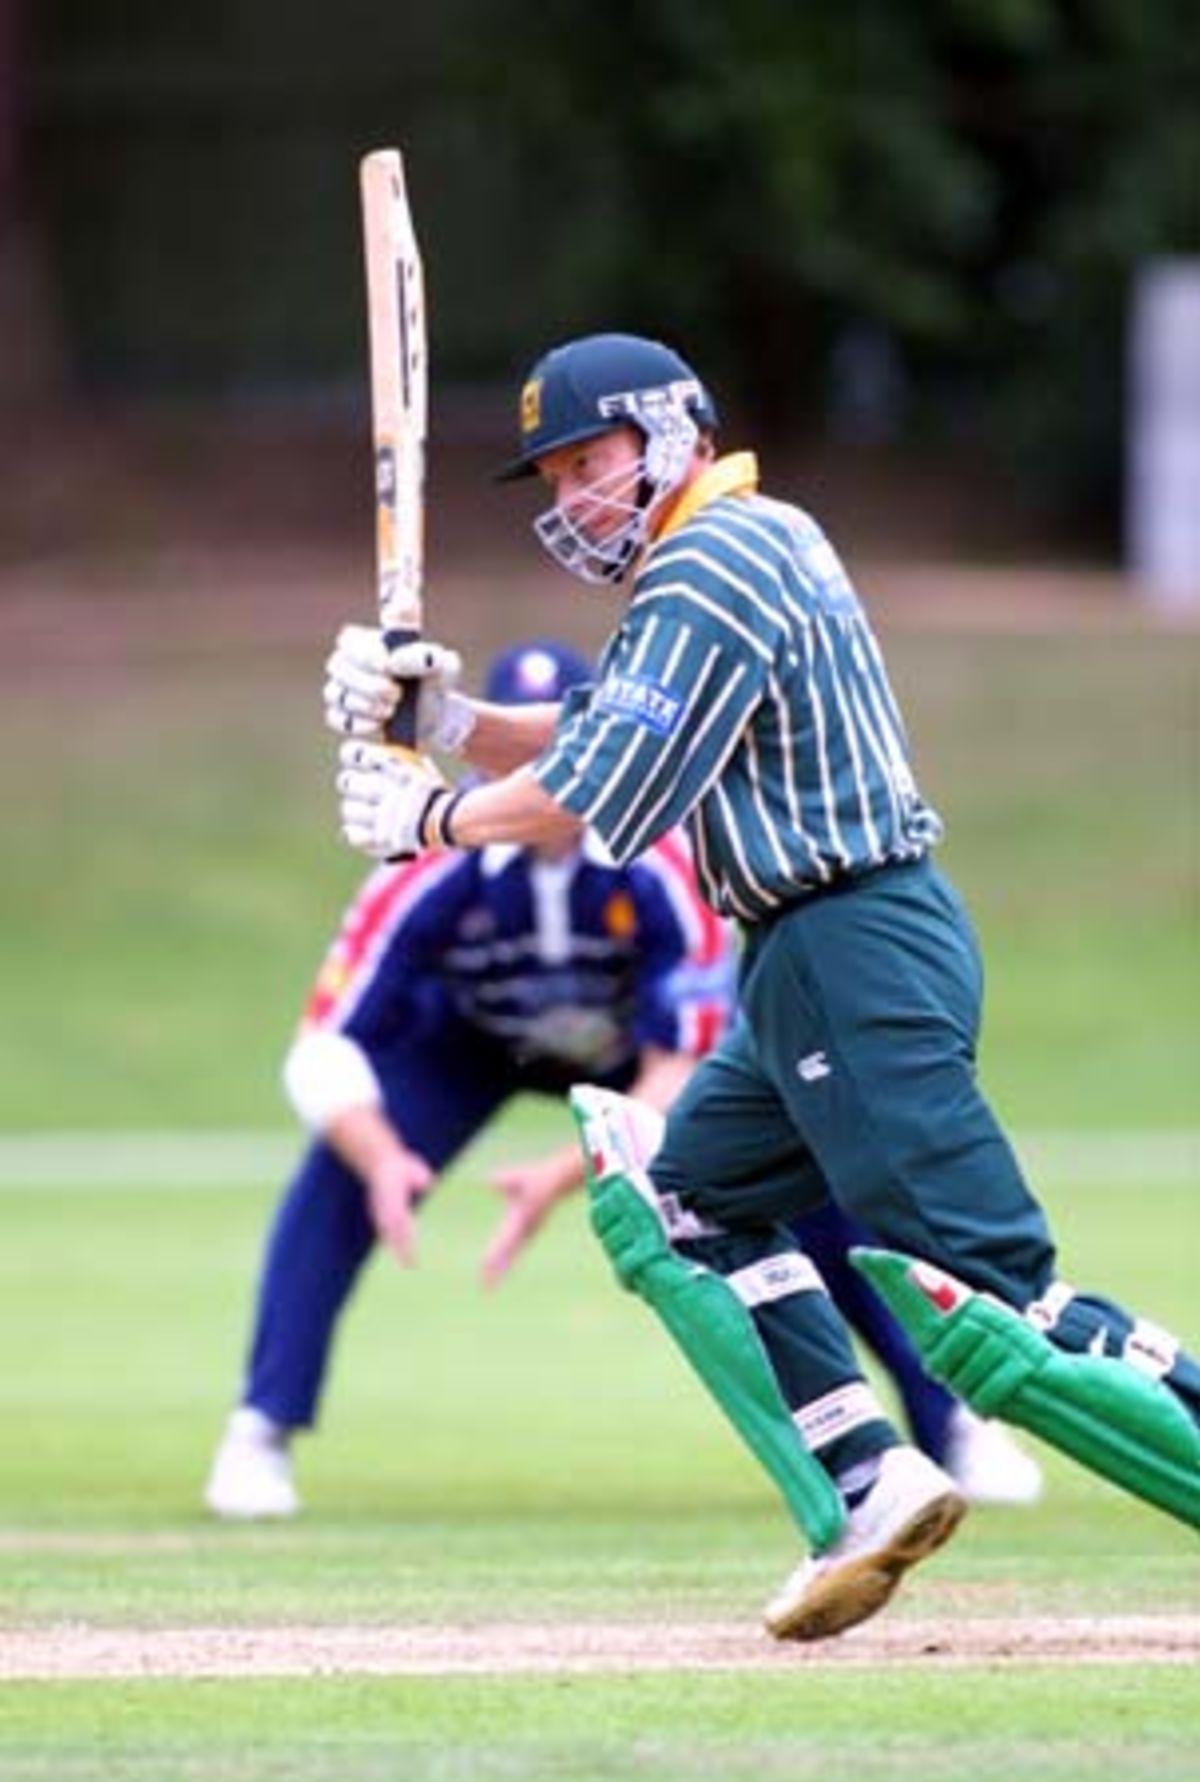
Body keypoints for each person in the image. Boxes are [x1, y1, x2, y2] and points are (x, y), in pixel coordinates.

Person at [325, 334, 1199, 1641]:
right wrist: (448, 717)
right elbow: (603, 724)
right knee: (679, 1200)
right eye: (553, 478)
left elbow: (598, 795)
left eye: (588, 462)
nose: (572, 499)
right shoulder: (718, 560)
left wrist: (434, 817)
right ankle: (866, 1477)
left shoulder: (717, 557)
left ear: (670, 433)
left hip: (854, 941)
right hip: (803, 958)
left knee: (988, 1308)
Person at [208, 634, 1039, 1519]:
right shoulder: (427, 859)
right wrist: (381, 1158)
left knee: (803, 1175)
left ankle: (952, 1426)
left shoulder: (666, 864)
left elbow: (678, 1070)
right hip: (474, 1044)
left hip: (632, 1059)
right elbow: (323, 1049)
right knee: (340, 1173)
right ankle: (261, 1428)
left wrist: (569, 1175)